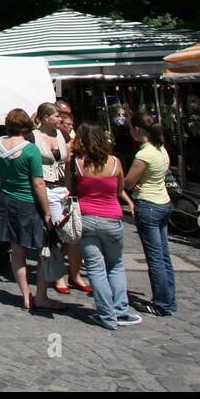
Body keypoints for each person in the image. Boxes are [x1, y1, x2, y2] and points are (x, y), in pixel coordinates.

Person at [0, 108, 67, 313]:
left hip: (7, 201)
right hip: (29, 203)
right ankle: (41, 296)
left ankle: (25, 294)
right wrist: (46, 211)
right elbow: (38, 183)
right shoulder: (30, 149)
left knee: (17, 251)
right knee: (44, 249)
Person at [66, 123, 139, 329]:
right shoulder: (115, 163)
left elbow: (69, 188)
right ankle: (121, 311)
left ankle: (106, 315)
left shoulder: (76, 163)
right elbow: (120, 188)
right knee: (115, 265)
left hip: (86, 218)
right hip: (111, 218)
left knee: (95, 268)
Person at [32, 102, 89, 295]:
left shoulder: (63, 135)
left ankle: (74, 274)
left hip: (62, 188)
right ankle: (58, 276)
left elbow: (68, 164)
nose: (60, 119)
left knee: (73, 232)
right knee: (55, 233)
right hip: (44, 187)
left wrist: (70, 189)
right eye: (57, 116)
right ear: (46, 118)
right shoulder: (33, 137)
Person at [125, 111, 177, 317]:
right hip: (163, 201)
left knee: (154, 257)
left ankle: (161, 303)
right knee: (164, 255)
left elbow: (128, 182)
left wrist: (132, 183)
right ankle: (169, 299)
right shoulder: (161, 149)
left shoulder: (144, 154)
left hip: (149, 205)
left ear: (138, 130)